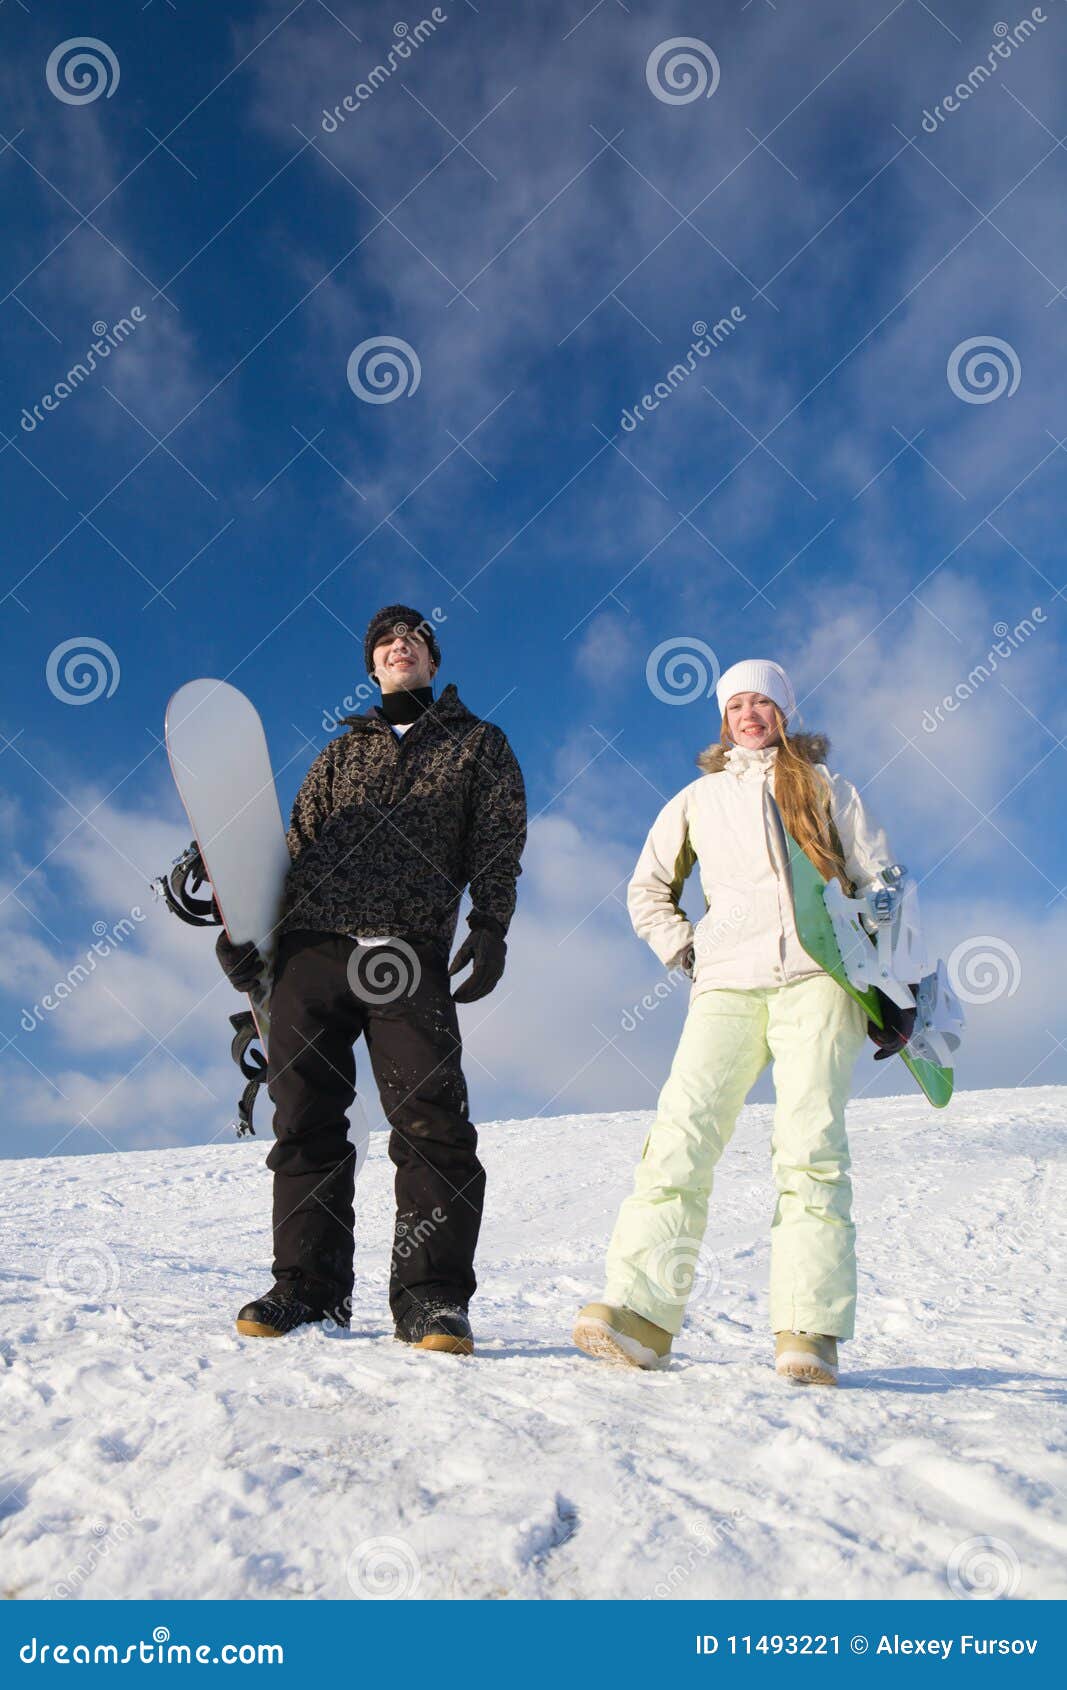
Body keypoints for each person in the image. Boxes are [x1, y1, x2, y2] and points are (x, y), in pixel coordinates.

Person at [574, 658, 910, 1387]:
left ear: (783, 713)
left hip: (819, 980)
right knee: (679, 1138)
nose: (748, 715)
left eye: (761, 703)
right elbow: (647, 889)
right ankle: (640, 1313)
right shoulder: (697, 798)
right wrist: (684, 947)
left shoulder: (826, 787)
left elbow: (881, 877)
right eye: (735, 706)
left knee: (810, 1148)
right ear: (723, 721)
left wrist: (890, 959)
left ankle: (807, 1329)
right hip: (726, 984)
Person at [217, 606, 526, 1355]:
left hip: (406, 944)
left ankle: (431, 1298)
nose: (398, 646)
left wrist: (491, 924)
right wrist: (249, 938)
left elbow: (497, 840)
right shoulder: (338, 753)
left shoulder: (477, 743)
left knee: (432, 1122)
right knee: (305, 1121)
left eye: (413, 637)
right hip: (313, 944)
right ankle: (308, 1288)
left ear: (432, 659)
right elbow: (291, 849)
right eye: (385, 641)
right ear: (371, 665)